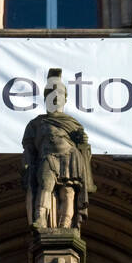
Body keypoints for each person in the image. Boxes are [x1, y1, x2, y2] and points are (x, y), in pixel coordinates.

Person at [21, 70, 95, 230]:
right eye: (52, 93)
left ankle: (66, 225)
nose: (55, 96)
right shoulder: (36, 124)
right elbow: (28, 149)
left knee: (68, 192)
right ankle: (40, 218)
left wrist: (83, 143)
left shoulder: (73, 123)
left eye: (60, 93)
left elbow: (83, 148)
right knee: (45, 185)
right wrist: (27, 166)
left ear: (64, 99)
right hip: (48, 158)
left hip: (70, 158)